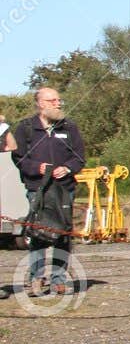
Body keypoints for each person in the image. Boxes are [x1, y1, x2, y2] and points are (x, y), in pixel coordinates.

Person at [9, 88, 84, 297]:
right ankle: (36, 278)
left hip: (64, 188)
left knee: (62, 234)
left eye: (59, 100)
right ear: (40, 103)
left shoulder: (69, 127)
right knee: (39, 234)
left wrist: (67, 168)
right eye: (52, 100)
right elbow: (19, 158)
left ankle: (59, 280)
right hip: (38, 188)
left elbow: (79, 157)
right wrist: (37, 168)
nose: (58, 104)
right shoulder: (25, 128)